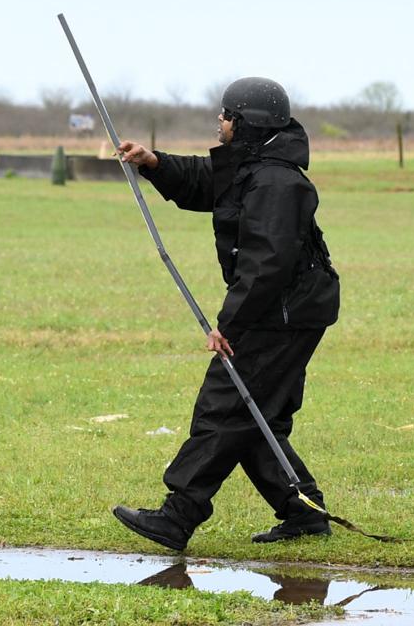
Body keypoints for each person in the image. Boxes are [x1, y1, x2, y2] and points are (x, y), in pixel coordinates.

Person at [111, 77, 340, 550]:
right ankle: (303, 511)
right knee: (255, 417)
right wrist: (154, 162)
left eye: (225, 115)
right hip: (286, 310)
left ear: (243, 121)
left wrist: (229, 325)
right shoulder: (257, 165)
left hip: (279, 315)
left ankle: (179, 515)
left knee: (225, 406)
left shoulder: (277, 182)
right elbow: (205, 182)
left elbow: (267, 264)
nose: (219, 121)